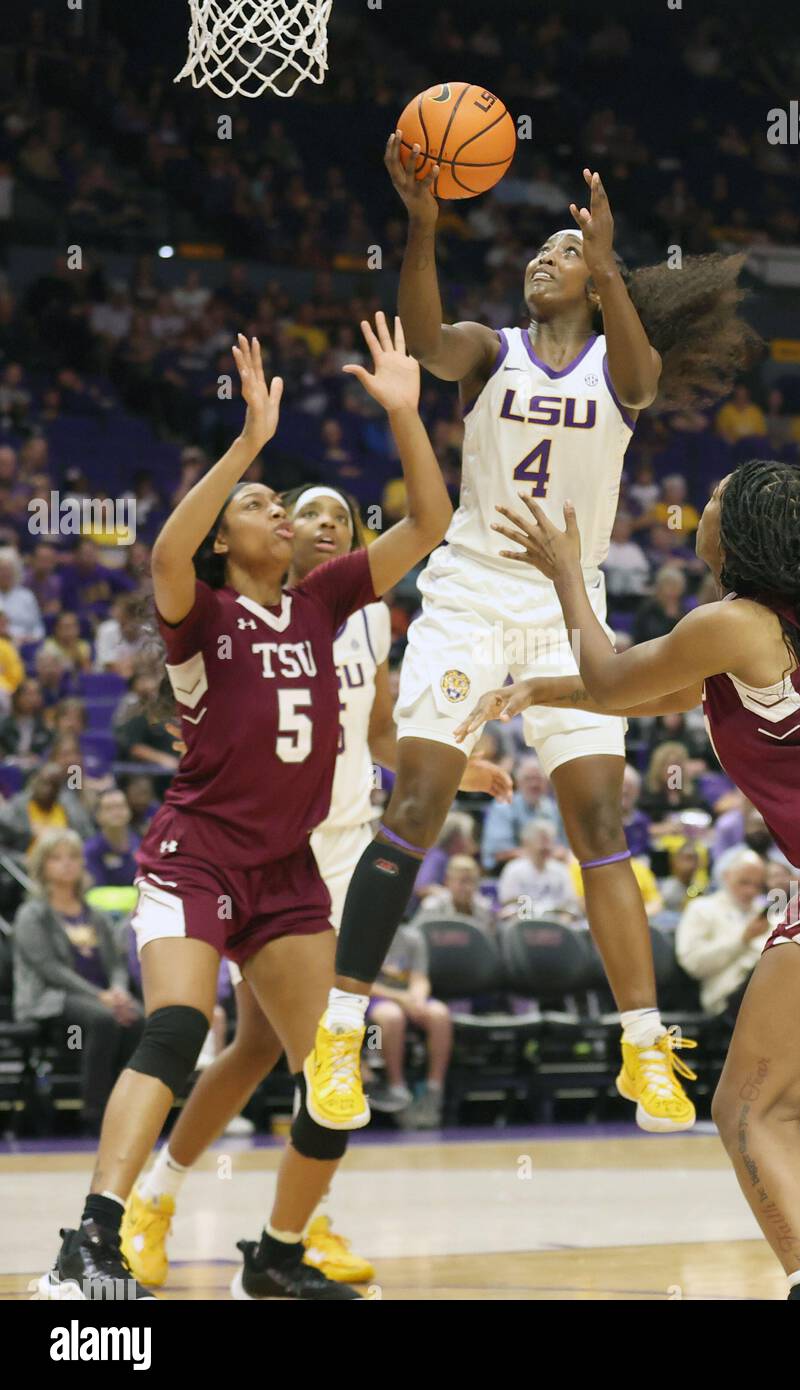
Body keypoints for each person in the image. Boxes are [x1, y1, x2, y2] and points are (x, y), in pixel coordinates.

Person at [302, 138, 757, 1140]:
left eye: (563, 252)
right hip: (469, 591)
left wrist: (606, 264)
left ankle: (644, 1045)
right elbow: (425, 340)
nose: (541, 260)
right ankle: (338, 1031)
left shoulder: (616, 364)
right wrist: (423, 225)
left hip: (566, 602)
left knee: (600, 819)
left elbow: (639, 372)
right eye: (539, 251)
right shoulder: (492, 349)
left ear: (594, 284)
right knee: (418, 798)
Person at [466, 457, 800, 1301]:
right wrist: (542, 690)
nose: (698, 504)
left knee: (747, 1109)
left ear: (738, 533)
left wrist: (569, 575)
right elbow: (657, 691)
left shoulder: (732, 619)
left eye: (712, 499)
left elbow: (617, 675)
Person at [34, 317, 453, 1302]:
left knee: (332, 1075)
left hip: (287, 876)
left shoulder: (325, 604)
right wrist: (246, 446)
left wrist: (405, 416)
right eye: (259, 507)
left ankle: (274, 1252)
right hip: (197, 857)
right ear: (230, 537)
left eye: (274, 500)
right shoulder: (202, 614)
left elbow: (430, 524)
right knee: (178, 1031)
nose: (275, 512)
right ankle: (88, 1241)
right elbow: (169, 549)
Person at [120, 477, 509, 1290]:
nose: (327, 525)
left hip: (340, 851)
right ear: (282, 534)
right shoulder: (262, 608)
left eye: (342, 516)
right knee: (302, 1057)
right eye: (308, 514)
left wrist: (449, 768)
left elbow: (376, 734)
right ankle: (244, 1224)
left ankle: (265, 1222)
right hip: (262, 849)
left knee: (273, 1048)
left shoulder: (363, 616)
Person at [13, 828, 143, 1132]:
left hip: (100, 997)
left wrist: (119, 990)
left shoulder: (93, 913)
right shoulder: (33, 914)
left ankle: (126, 1108)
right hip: (49, 999)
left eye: (72, 857)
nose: (67, 864)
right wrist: (101, 997)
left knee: (138, 1018)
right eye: (57, 858)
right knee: (103, 1019)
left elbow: (117, 964)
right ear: (42, 866)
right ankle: (94, 1113)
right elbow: (49, 970)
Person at [366, 923, 452, 1127]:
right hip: (374, 998)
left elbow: (420, 978)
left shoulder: (412, 936)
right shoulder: (362, 935)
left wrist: (418, 999)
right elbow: (358, 983)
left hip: (408, 997)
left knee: (440, 1014)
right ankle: (397, 1089)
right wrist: (400, 998)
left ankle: (434, 1090)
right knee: (392, 1016)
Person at [675, 847, 770, 1018]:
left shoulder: (766, 914)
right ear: (726, 876)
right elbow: (693, 963)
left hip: (767, 989)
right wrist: (742, 940)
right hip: (726, 998)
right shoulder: (701, 909)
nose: (751, 891)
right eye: (744, 882)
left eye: (757, 885)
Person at [82, 787, 140, 888]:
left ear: (129, 812)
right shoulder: (90, 851)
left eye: (120, 807)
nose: (116, 812)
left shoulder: (141, 844)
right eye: (109, 808)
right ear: (98, 816)